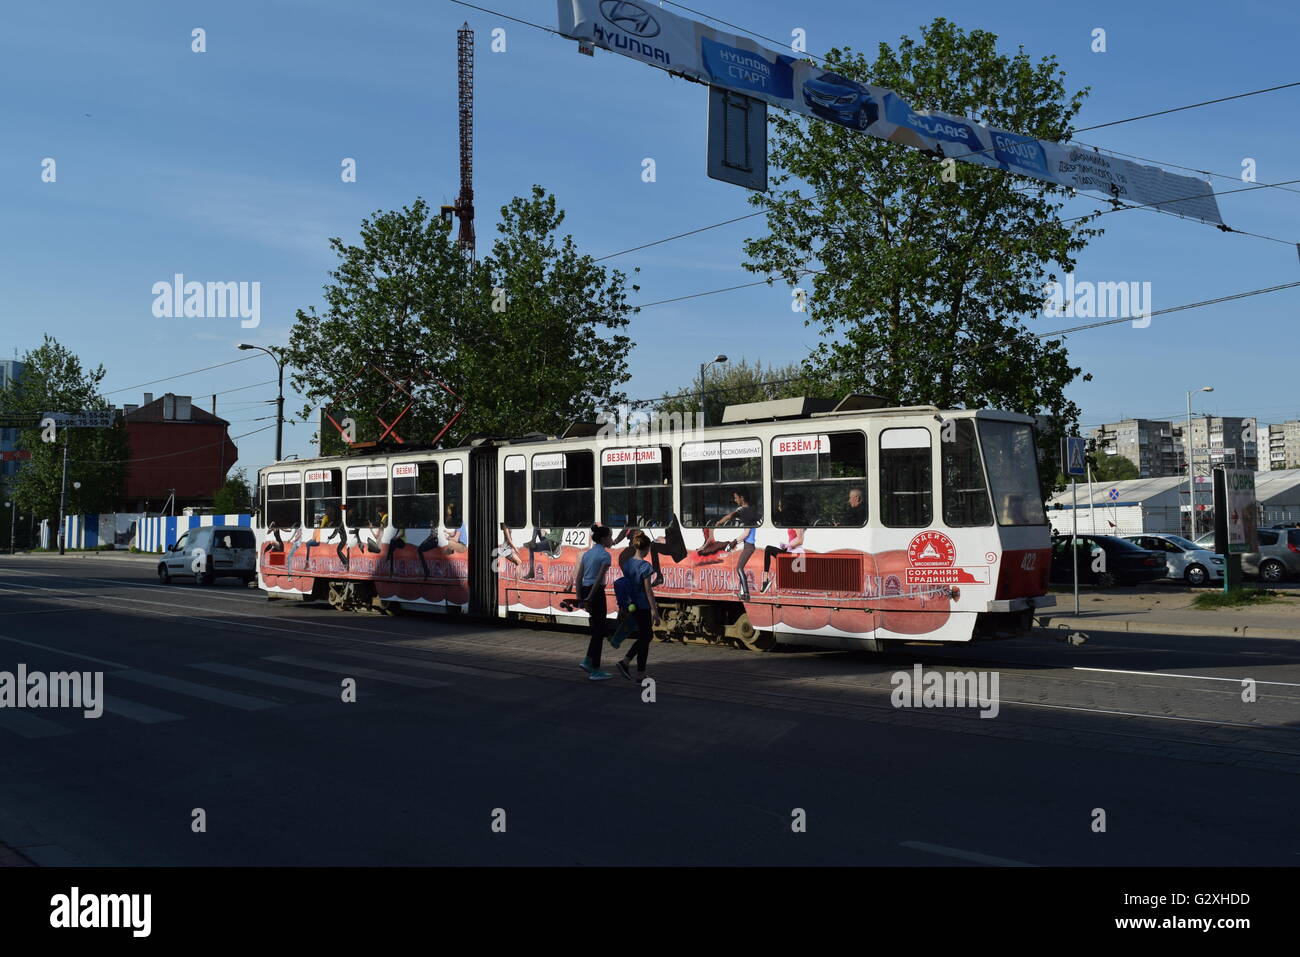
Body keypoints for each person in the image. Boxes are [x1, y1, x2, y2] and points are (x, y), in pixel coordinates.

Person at [615, 532, 660, 682]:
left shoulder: (627, 564)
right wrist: (654, 610)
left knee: (644, 636)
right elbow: (648, 590)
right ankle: (627, 663)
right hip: (642, 605)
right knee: (646, 636)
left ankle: (638, 671)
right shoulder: (645, 566)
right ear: (646, 548)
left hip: (631, 604)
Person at [576, 525, 614, 681]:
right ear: (604, 539)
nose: (612, 540)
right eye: (610, 537)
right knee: (600, 629)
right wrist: (591, 596)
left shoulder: (587, 554)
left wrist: (580, 597)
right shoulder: (605, 556)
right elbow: (599, 579)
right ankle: (593, 667)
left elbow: (579, 577)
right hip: (596, 592)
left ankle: (589, 661)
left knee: (596, 628)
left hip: (585, 589)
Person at [715, 489, 758, 600]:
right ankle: (743, 592)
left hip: (749, 545)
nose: (735, 500)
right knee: (739, 568)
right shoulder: (750, 510)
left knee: (739, 568)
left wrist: (720, 523)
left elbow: (746, 533)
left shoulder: (745, 511)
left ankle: (746, 594)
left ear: (742, 498)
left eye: (736, 498)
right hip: (748, 545)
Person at [760, 498, 806, 594]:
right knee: (768, 549)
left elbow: (800, 540)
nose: (780, 508)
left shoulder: (797, 522)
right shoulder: (793, 520)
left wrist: (787, 545)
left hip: (796, 554)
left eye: (781, 506)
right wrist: (786, 545)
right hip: (790, 551)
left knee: (768, 549)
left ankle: (765, 581)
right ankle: (765, 581)